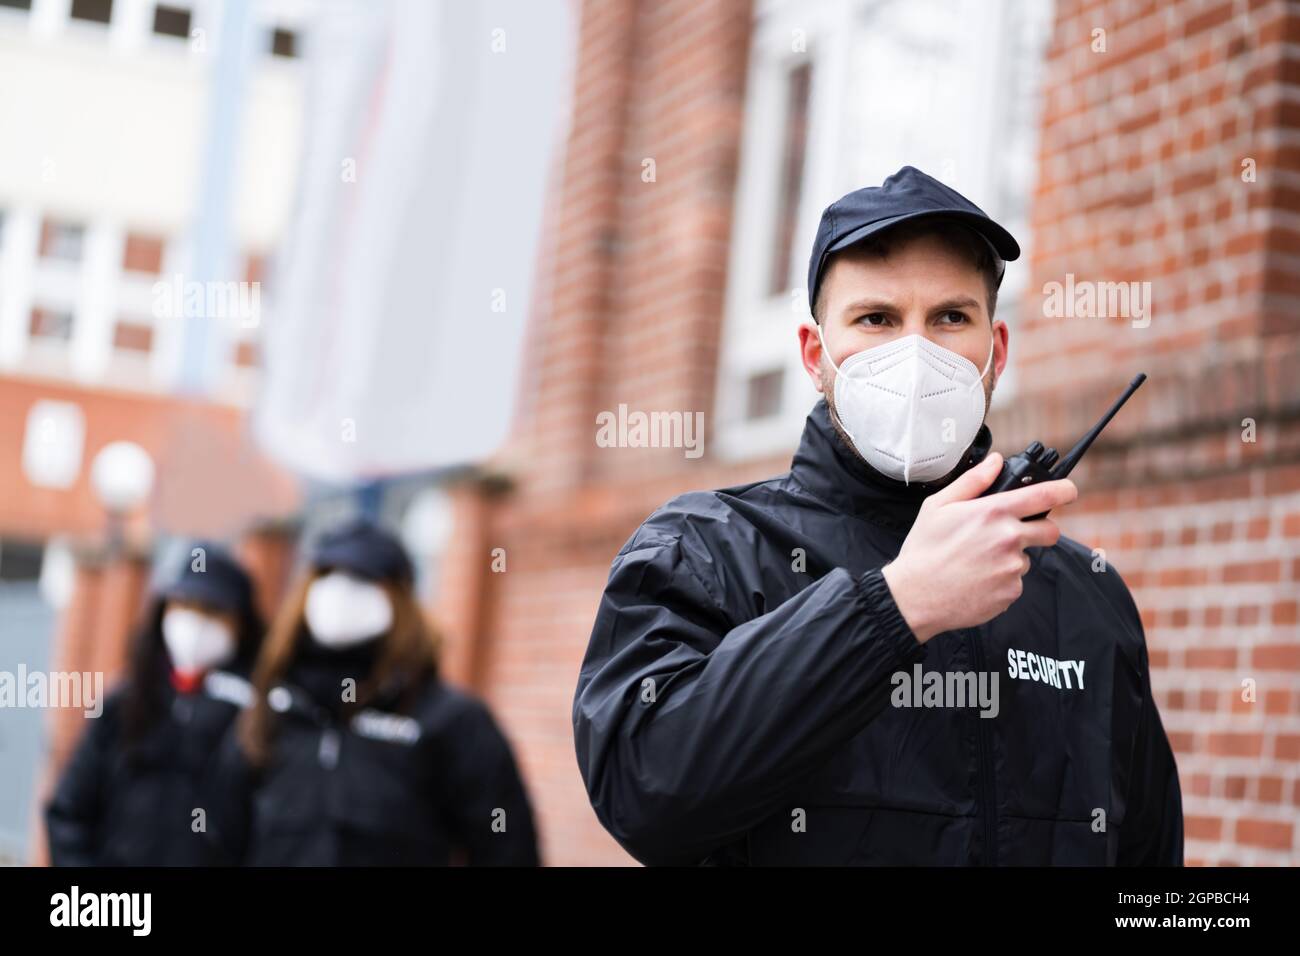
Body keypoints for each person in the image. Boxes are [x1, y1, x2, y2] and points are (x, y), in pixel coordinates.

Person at [573, 165, 1183, 866]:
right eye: (876, 319)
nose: (915, 353)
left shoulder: (1087, 595)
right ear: (815, 354)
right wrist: (893, 608)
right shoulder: (709, 552)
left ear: (997, 352)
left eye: (951, 317)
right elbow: (640, 790)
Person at [206, 519, 540, 866]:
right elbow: (221, 837)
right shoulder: (270, 711)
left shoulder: (450, 720)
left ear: (398, 597)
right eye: (327, 574)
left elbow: (508, 847)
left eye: (362, 578)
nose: (340, 591)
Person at [46, 543, 263, 866]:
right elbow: (68, 811)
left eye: (212, 611)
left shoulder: (254, 718)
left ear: (241, 626)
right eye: (184, 606)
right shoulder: (126, 703)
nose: (195, 623)